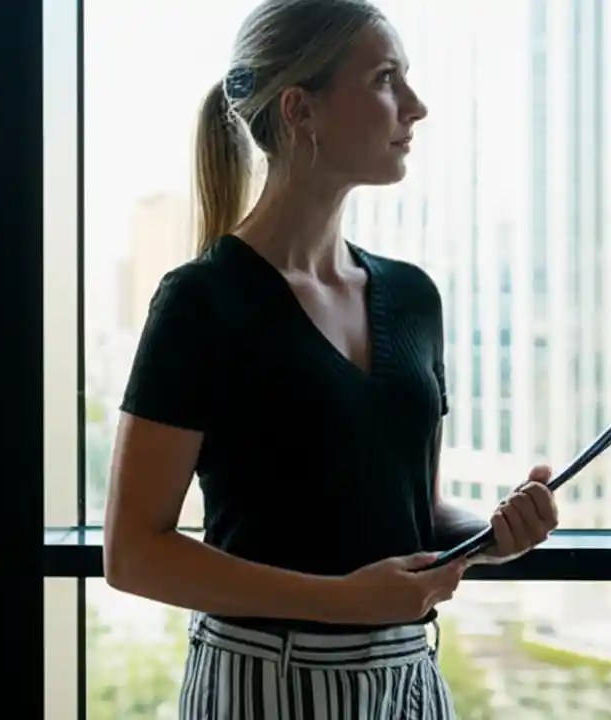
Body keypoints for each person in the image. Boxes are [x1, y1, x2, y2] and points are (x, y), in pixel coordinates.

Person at [103, 1, 559, 717]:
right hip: (263, 684)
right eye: (385, 79)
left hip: (408, 678)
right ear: (300, 110)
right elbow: (133, 553)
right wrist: (341, 602)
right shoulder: (202, 303)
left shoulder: (413, 298)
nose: (416, 106)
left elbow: (411, 512)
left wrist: (491, 537)